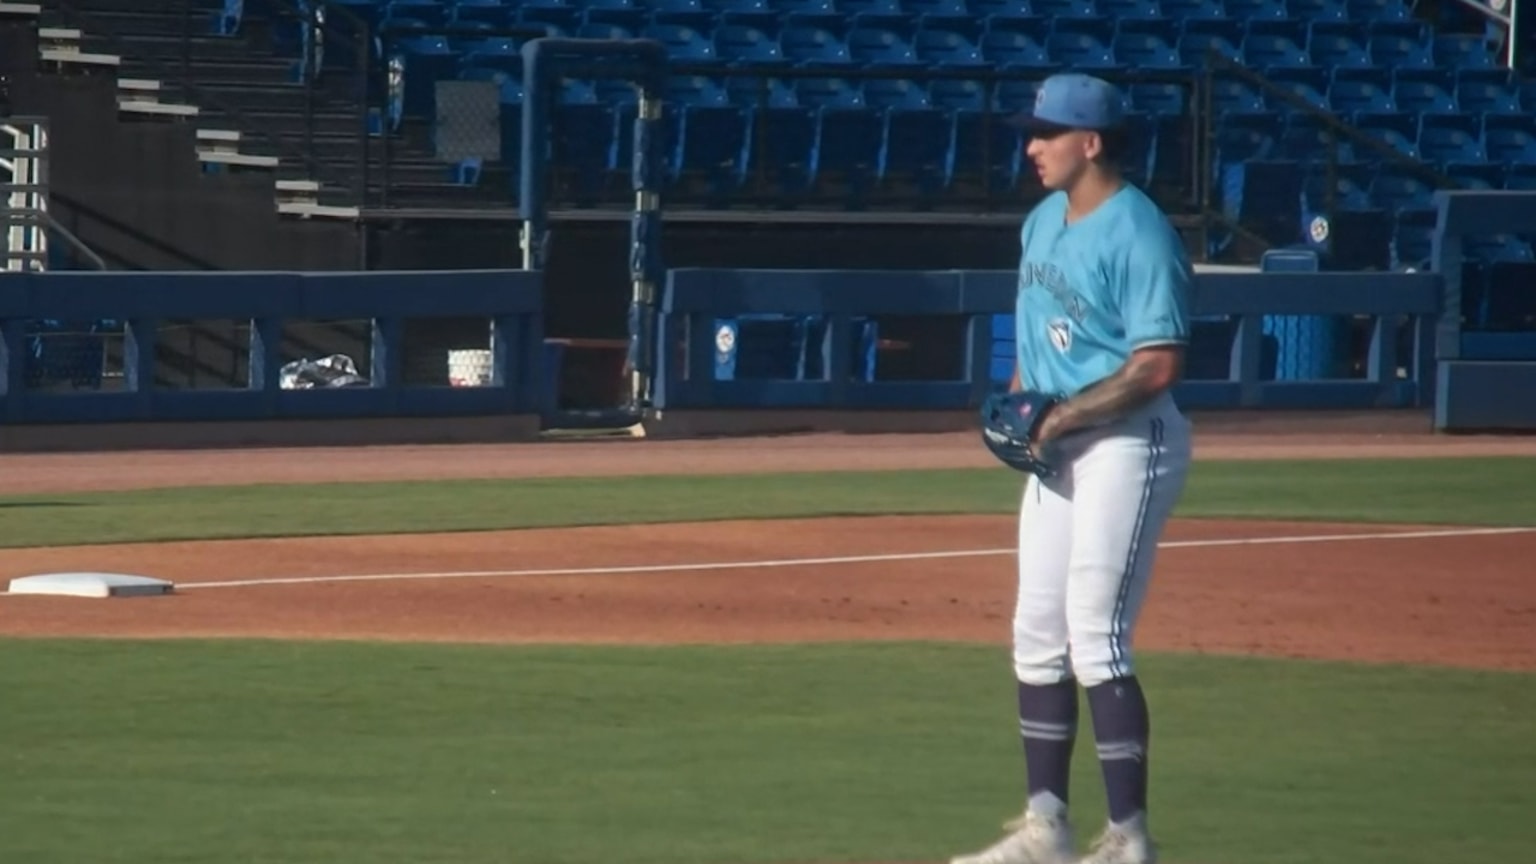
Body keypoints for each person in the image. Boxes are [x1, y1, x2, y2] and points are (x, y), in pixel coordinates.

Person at [950, 73, 1196, 864]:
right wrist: (1026, 416)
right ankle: (1045, 829)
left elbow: (1154, 367)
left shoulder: (1141, 232)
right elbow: (1035, 346)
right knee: (1035, 637)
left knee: (1099, 639)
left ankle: (1129, 841)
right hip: (1061, 449)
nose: (1031, 146)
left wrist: (1058, 418)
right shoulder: (1039, 225)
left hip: (1130, 443)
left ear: (1090, 143)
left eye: (1045, 133)